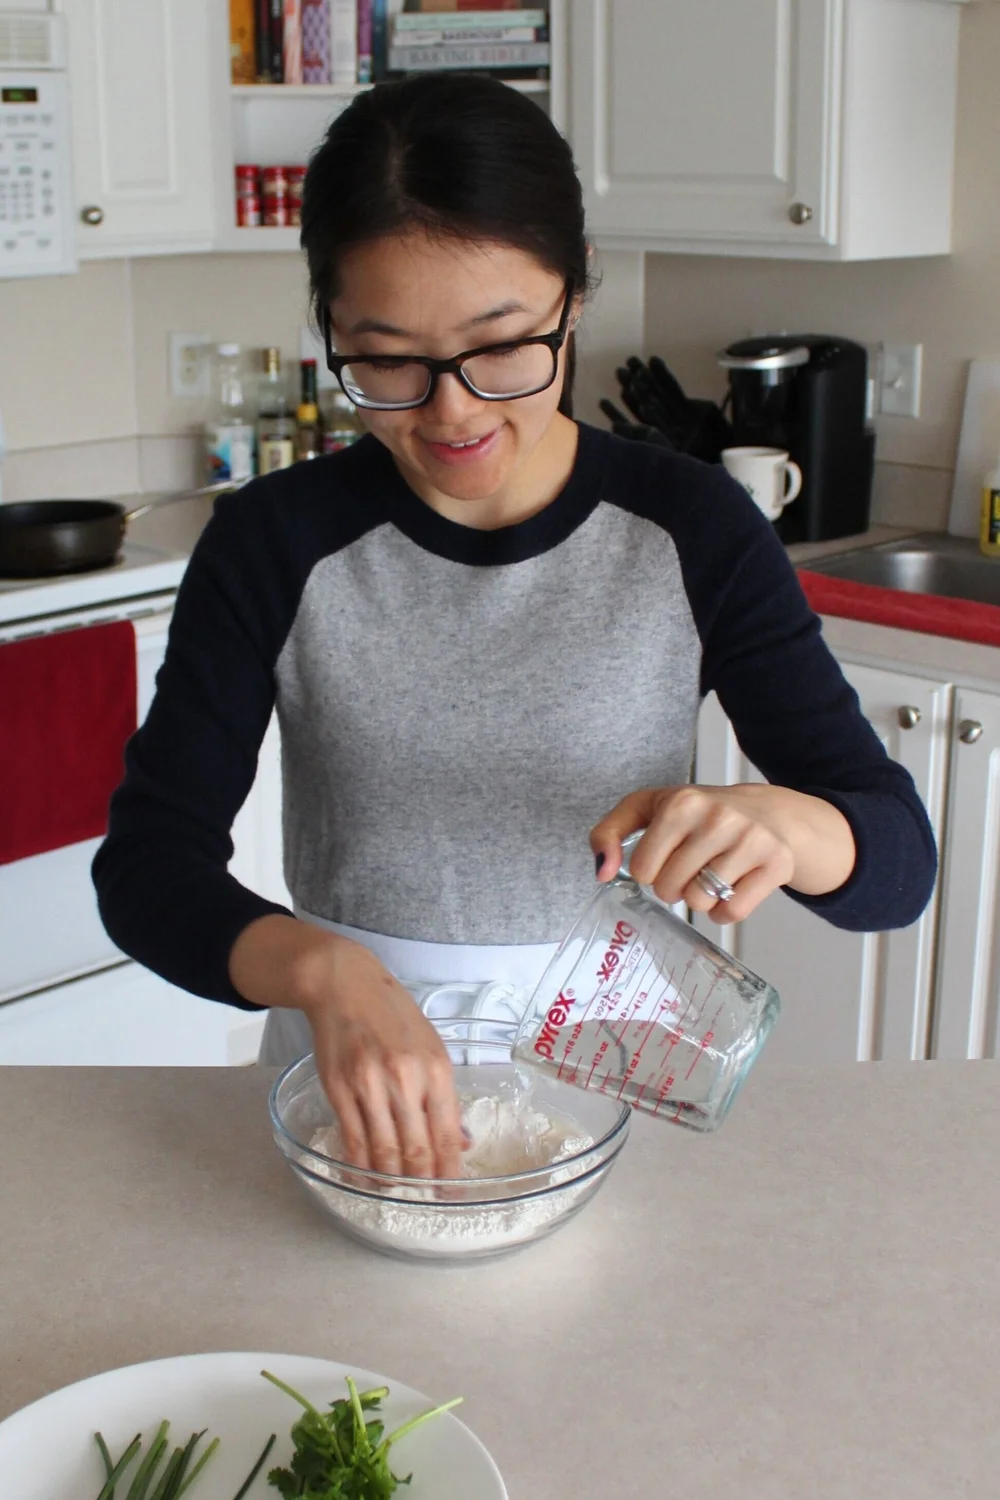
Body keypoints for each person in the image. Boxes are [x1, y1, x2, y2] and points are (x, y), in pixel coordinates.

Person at [93, 74, 936, 1182]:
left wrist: (785, 825)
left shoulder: (688, 529)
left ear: (571, 299)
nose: (452, 411)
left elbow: (898, 863)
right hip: (353, 1061)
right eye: (386, 359)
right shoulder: (274, 540)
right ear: (331, 330)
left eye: (500, 345)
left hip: (618, 1058)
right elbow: (149, 870)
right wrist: (320, 971)